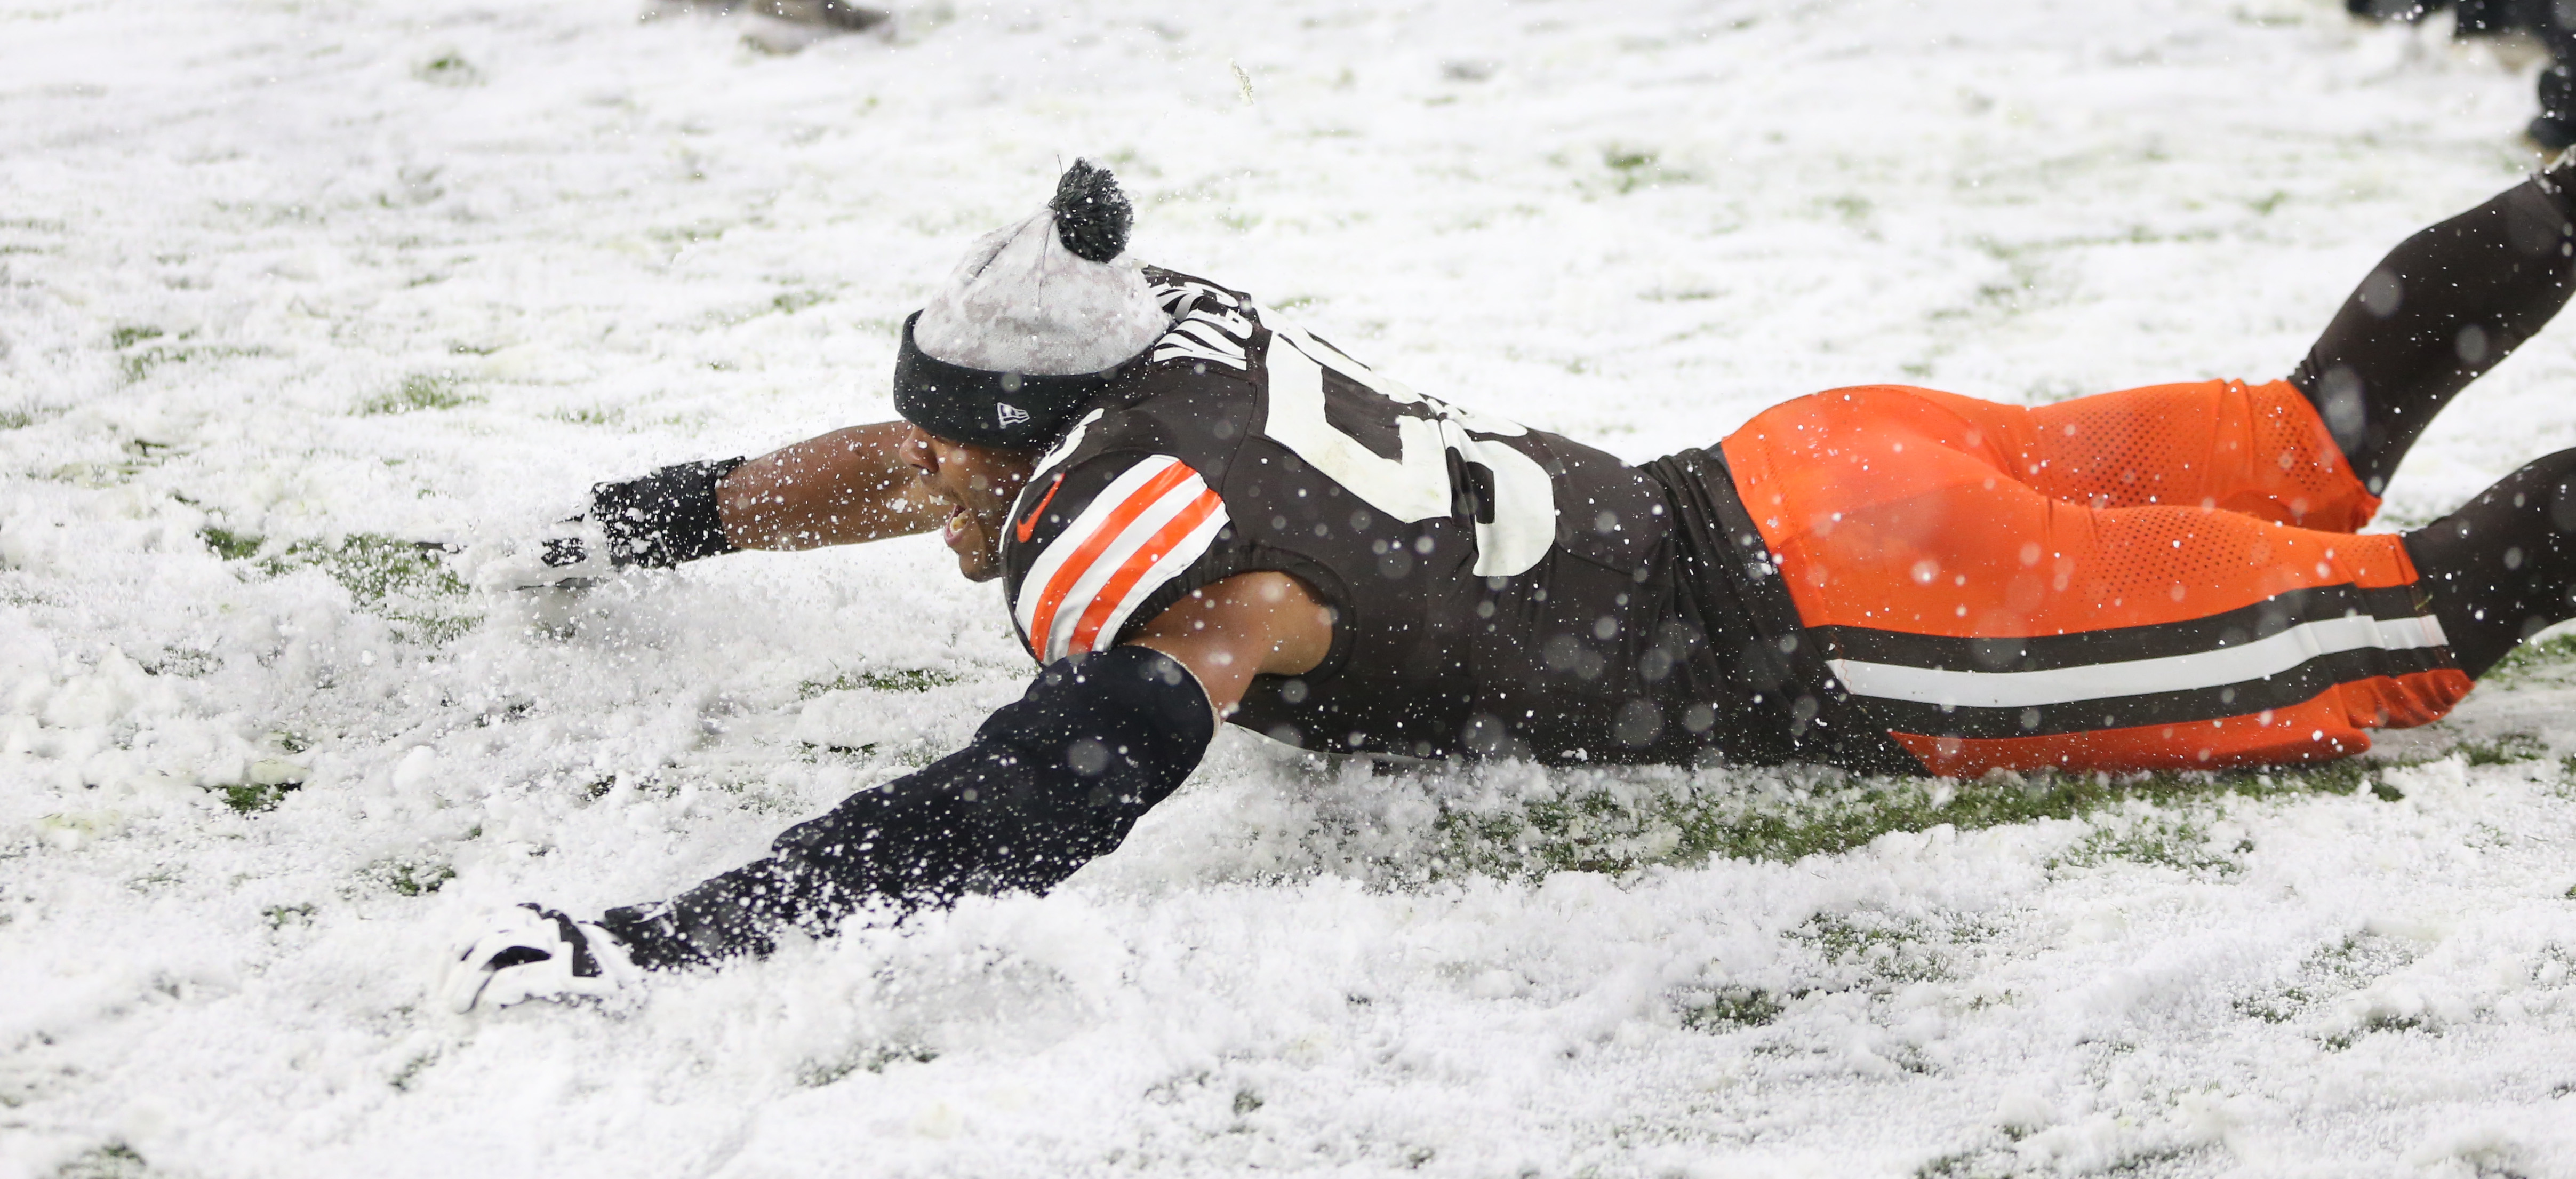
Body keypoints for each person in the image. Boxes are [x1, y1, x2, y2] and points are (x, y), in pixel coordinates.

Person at [444, 156, 2576, 1011]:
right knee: (2303, 443)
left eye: (952, 470)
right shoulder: (1140, 345)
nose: (927, 496)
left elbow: (1035, 798)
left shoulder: (1193, 570)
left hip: (1872, 615)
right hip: (1808, 461)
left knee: (2402, 622)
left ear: (1053, 450)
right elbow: (907, 452)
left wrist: (686, 933)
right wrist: (628, 526)